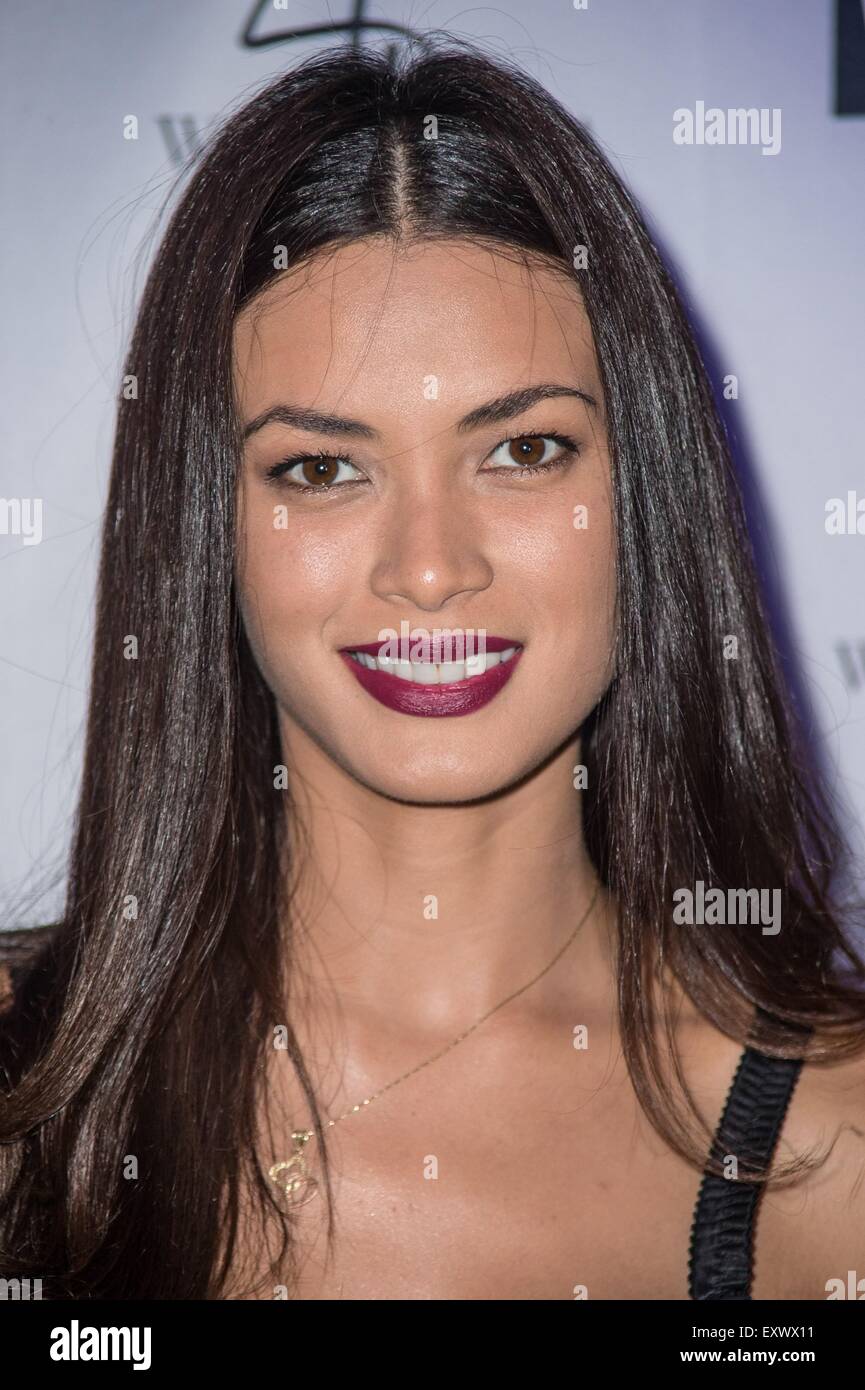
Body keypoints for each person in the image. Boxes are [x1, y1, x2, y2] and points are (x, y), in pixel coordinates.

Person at [2, 37, 864, 1302]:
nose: (428, 566)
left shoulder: (837, 1145)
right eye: (320, 467)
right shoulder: (27, 1091)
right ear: (207, 526)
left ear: (649, 499)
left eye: (522, 451)